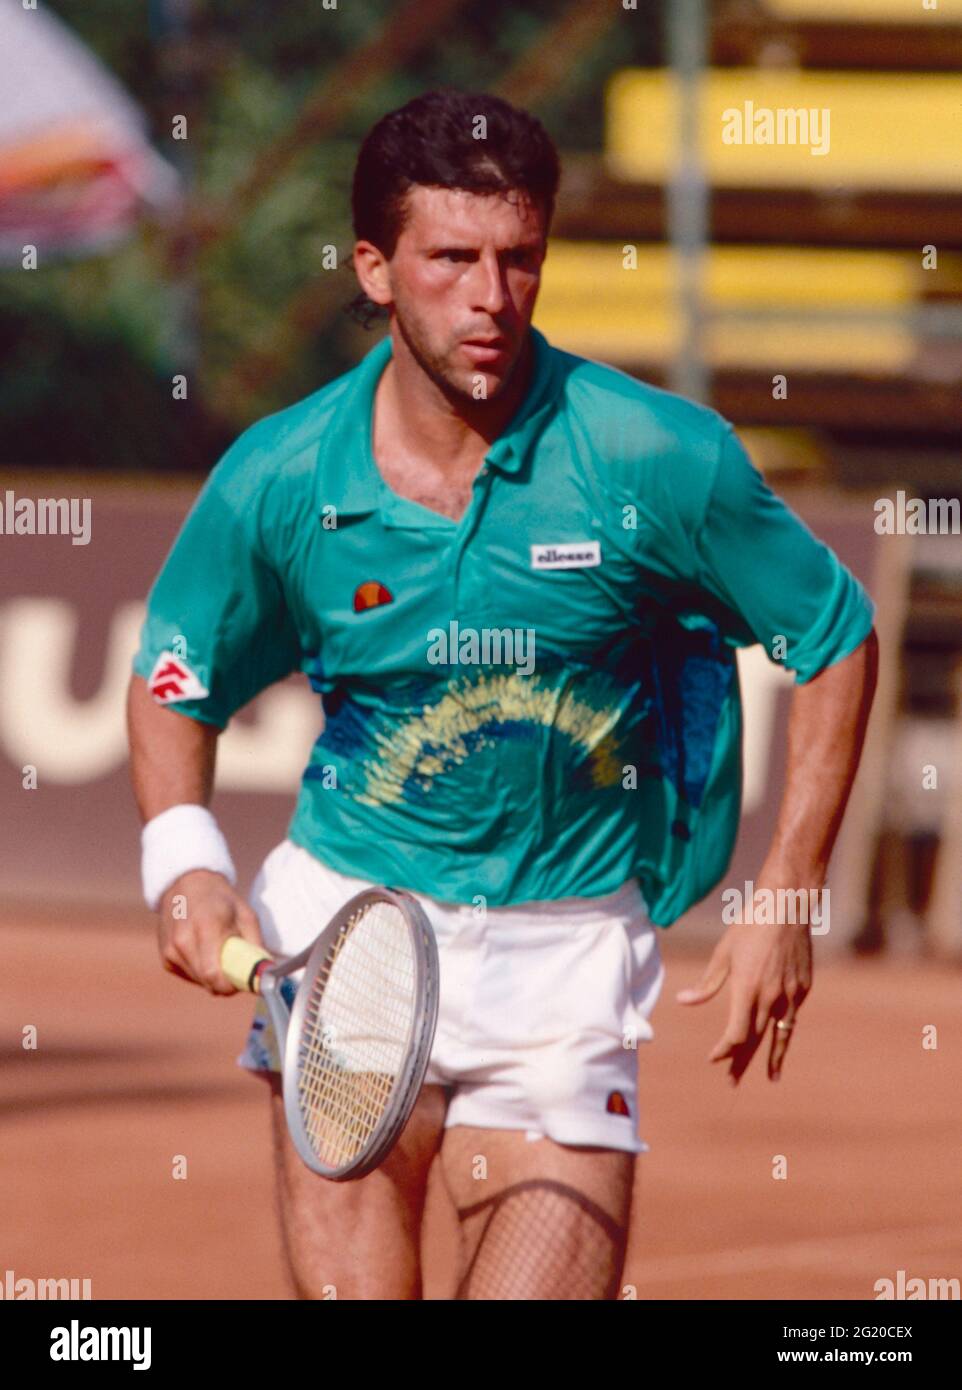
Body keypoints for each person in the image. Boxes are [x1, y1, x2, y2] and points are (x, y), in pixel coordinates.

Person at [126, 88, 878, 1300]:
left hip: (565, 967)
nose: (489, 298)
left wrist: (785, 887)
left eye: (519, 259)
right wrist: (183, 855)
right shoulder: (277, 474)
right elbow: (177, 675)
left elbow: (833, 632)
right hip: (348, 942)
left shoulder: (651, 454)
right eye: (450, 259)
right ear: (374, 268)